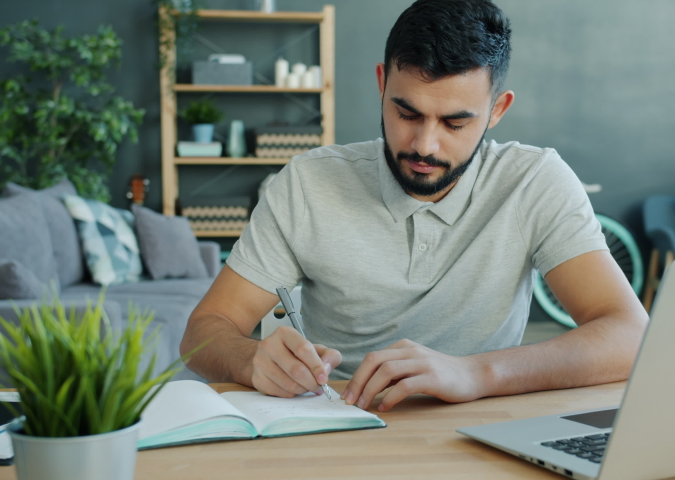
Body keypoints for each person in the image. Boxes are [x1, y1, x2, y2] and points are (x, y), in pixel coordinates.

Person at [180, 0, 648, 413]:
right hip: (337, 424)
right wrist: (250, 358)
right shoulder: (307, 183)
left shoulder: (535, 182)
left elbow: (629, 334)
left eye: (455, 122)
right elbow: (203, 331)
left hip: (480, 426)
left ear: (497, 110)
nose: (424, 145)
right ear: (382, 84)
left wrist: (475, 374)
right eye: (407, 114)